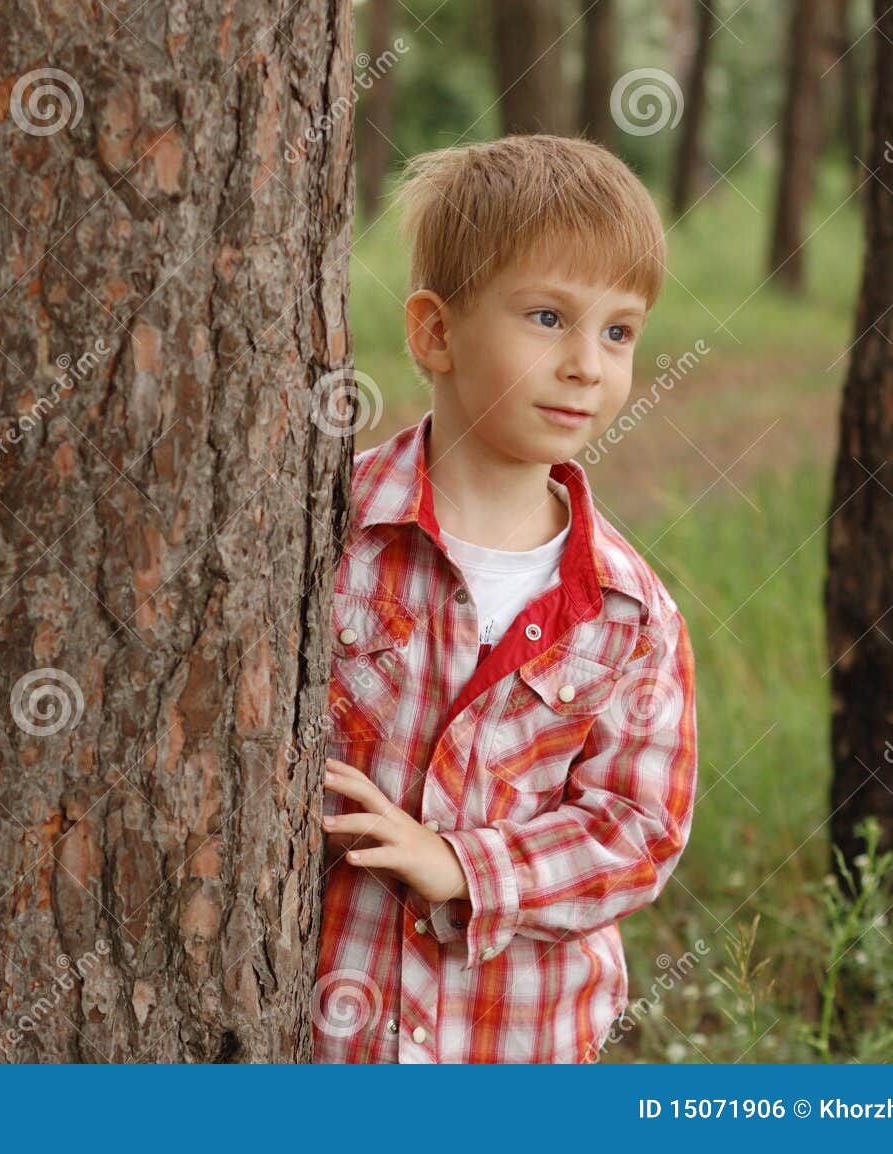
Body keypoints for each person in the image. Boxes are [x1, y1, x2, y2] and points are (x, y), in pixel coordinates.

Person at [314, 134, 698, 1064]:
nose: (587, 365)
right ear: (436, 334)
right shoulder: (329, 538)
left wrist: (463, 866)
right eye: (547, 317)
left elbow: (639, 830)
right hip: (333, 1038)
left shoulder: (628, 613)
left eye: (619, 332)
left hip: (518, 1046)